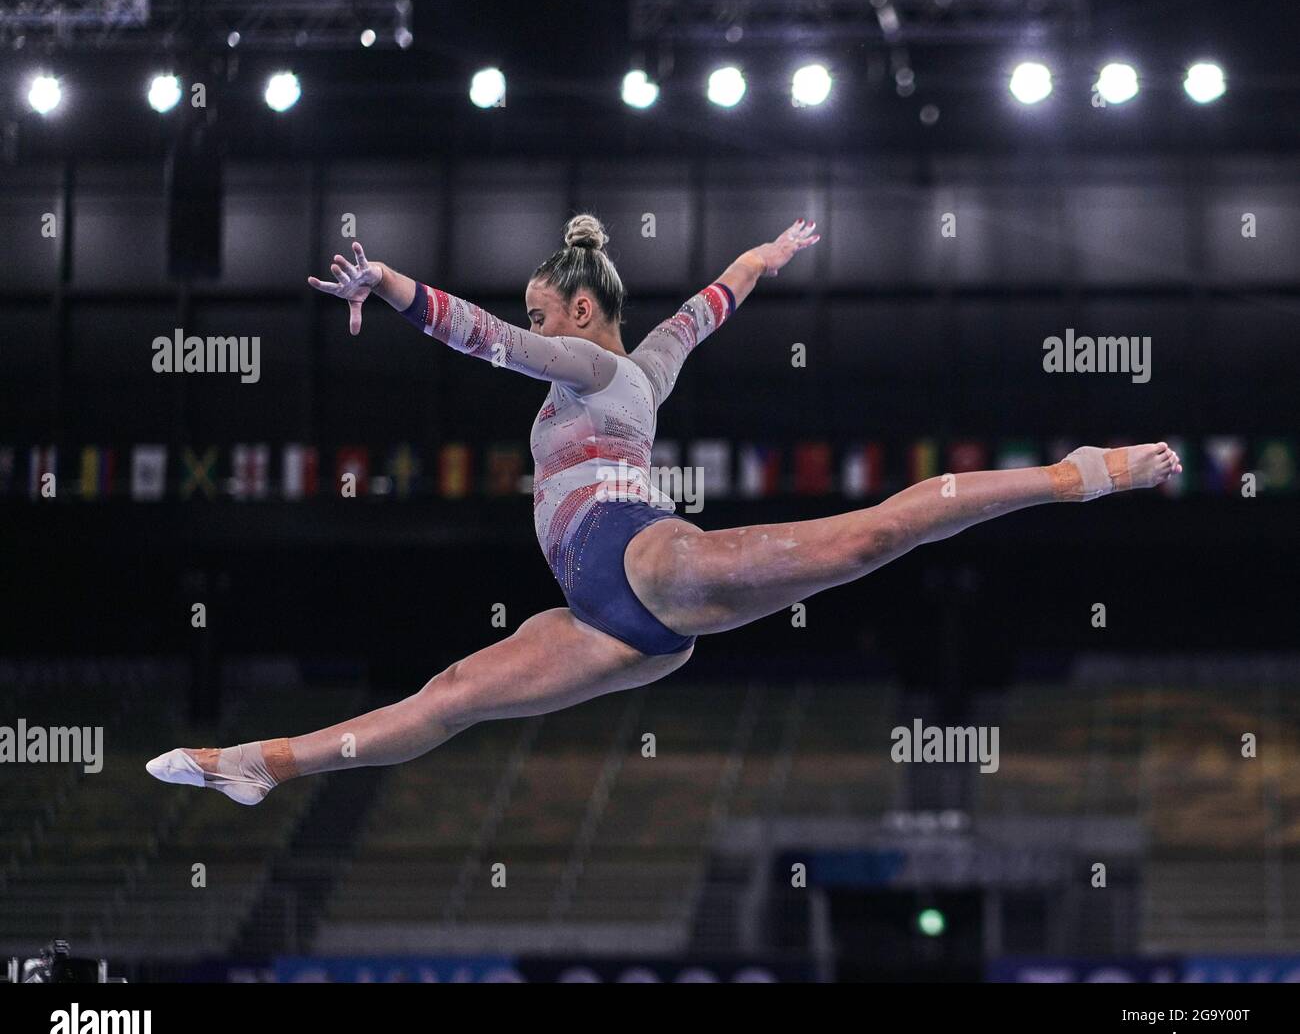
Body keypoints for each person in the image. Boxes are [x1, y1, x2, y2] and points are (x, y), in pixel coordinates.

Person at [147, 214, 1180, 804]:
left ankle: (1076, 471)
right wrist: (758, 262)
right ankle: (260, 762)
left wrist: (394, 283)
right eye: (537, 313)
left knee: (868, 534)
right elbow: (703, 311)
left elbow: (482, 340)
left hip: (640, 562)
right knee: (452, 693)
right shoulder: (637, 367)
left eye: (543, 306)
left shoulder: (588, 364)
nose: (533, 321)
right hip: (603, 616)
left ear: (580, 311)